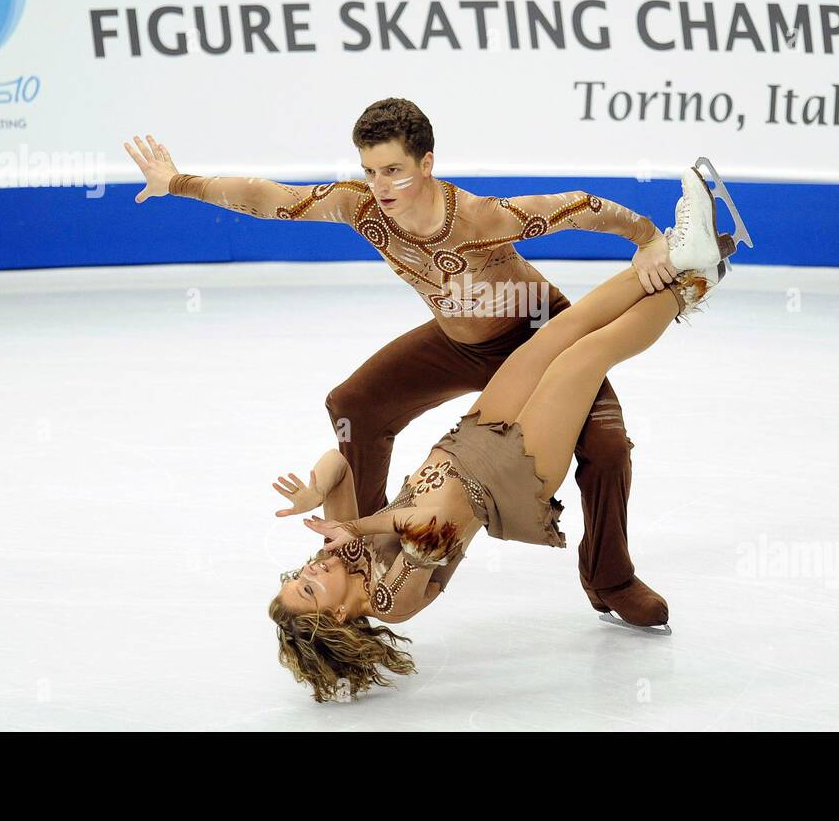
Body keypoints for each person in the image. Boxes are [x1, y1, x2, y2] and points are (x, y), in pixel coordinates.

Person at [124, 98, 737, 627]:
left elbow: (578, 206)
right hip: (456, 342)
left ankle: (609, 578)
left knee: (607, 448)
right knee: (354, 405)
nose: (381, 186)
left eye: (393, 170)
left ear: (427, 164)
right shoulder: (361, 207)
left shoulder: (477, 219)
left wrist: (647, 237)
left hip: (531, 326)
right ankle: (364, 542)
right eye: (369, 170)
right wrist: (179, 182)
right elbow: (269, 197)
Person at [265, 162, 750, 702]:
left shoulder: (342, 547)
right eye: (309, 586)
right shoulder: (389, 599)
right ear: (332, 615)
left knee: (556, 333)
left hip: (464, 443)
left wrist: (317, 488)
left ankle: (681, 252)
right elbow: (428, 530)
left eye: (296, 573)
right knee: (581, 362)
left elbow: (338, 466)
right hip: (507, 484)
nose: (310, 567)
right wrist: (358, 524)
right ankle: (693, 285)